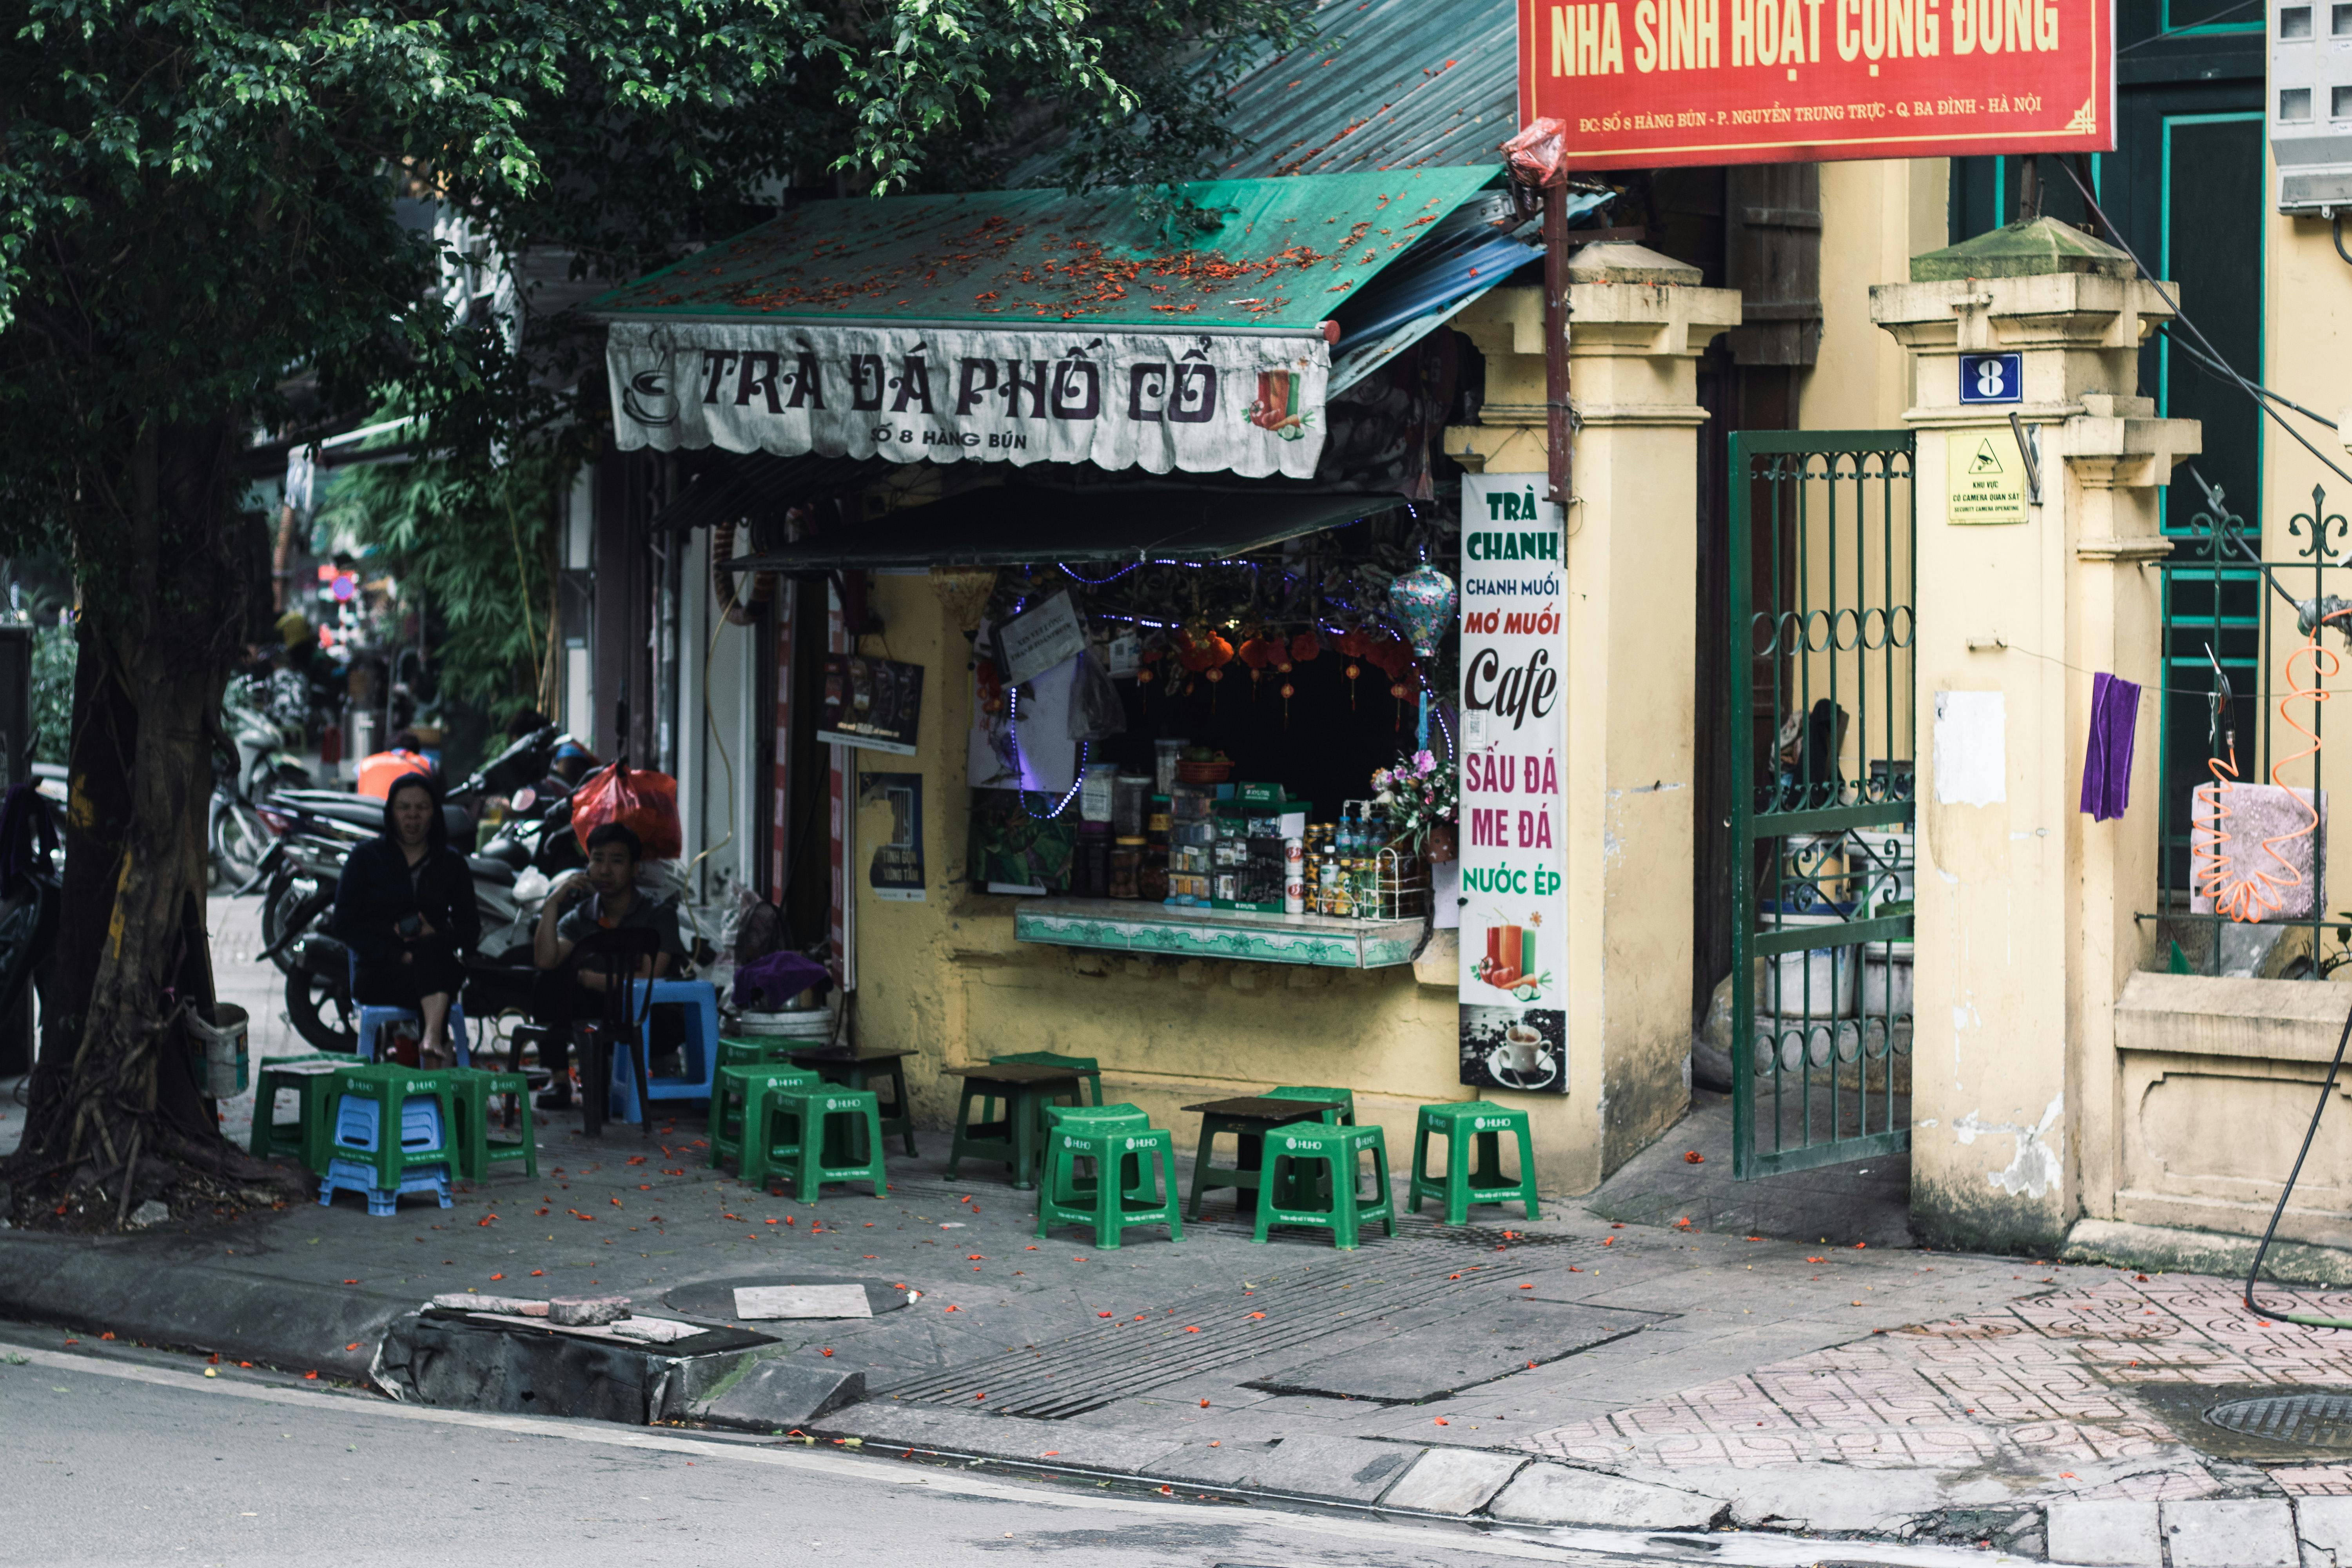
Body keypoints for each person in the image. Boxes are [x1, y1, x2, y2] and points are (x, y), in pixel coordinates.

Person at [530, 821, 686, 1109]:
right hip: (600, 1016)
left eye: (616, 861)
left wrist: (591, 980)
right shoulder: (581, 917)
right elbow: (545, 960)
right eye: (597, 859)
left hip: (652, 1020)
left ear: (634, 868)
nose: (604, 870)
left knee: (610, 997)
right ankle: (560, 1079)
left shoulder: (659, 915)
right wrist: (552, 903)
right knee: (548, 980)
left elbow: (647, 978)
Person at [332, 772, 481, 1067]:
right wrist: (395, 953)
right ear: (391, 813)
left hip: (434, 963)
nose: (413, 815)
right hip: (381, 973)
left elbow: (470, 929)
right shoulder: (366, 857)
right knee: (441, 973)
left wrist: (434, 933)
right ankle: (434, 1046)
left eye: (422, 807)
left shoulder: (451, 863)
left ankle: (430, 1043)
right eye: (404, 807)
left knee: (434, 954)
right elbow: (344, 923)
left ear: (434, 813)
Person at [356, 729, 434, 799]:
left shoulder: (366, 763)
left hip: (369, 809)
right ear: (417, 751)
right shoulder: (426, 762)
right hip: (405, 809)